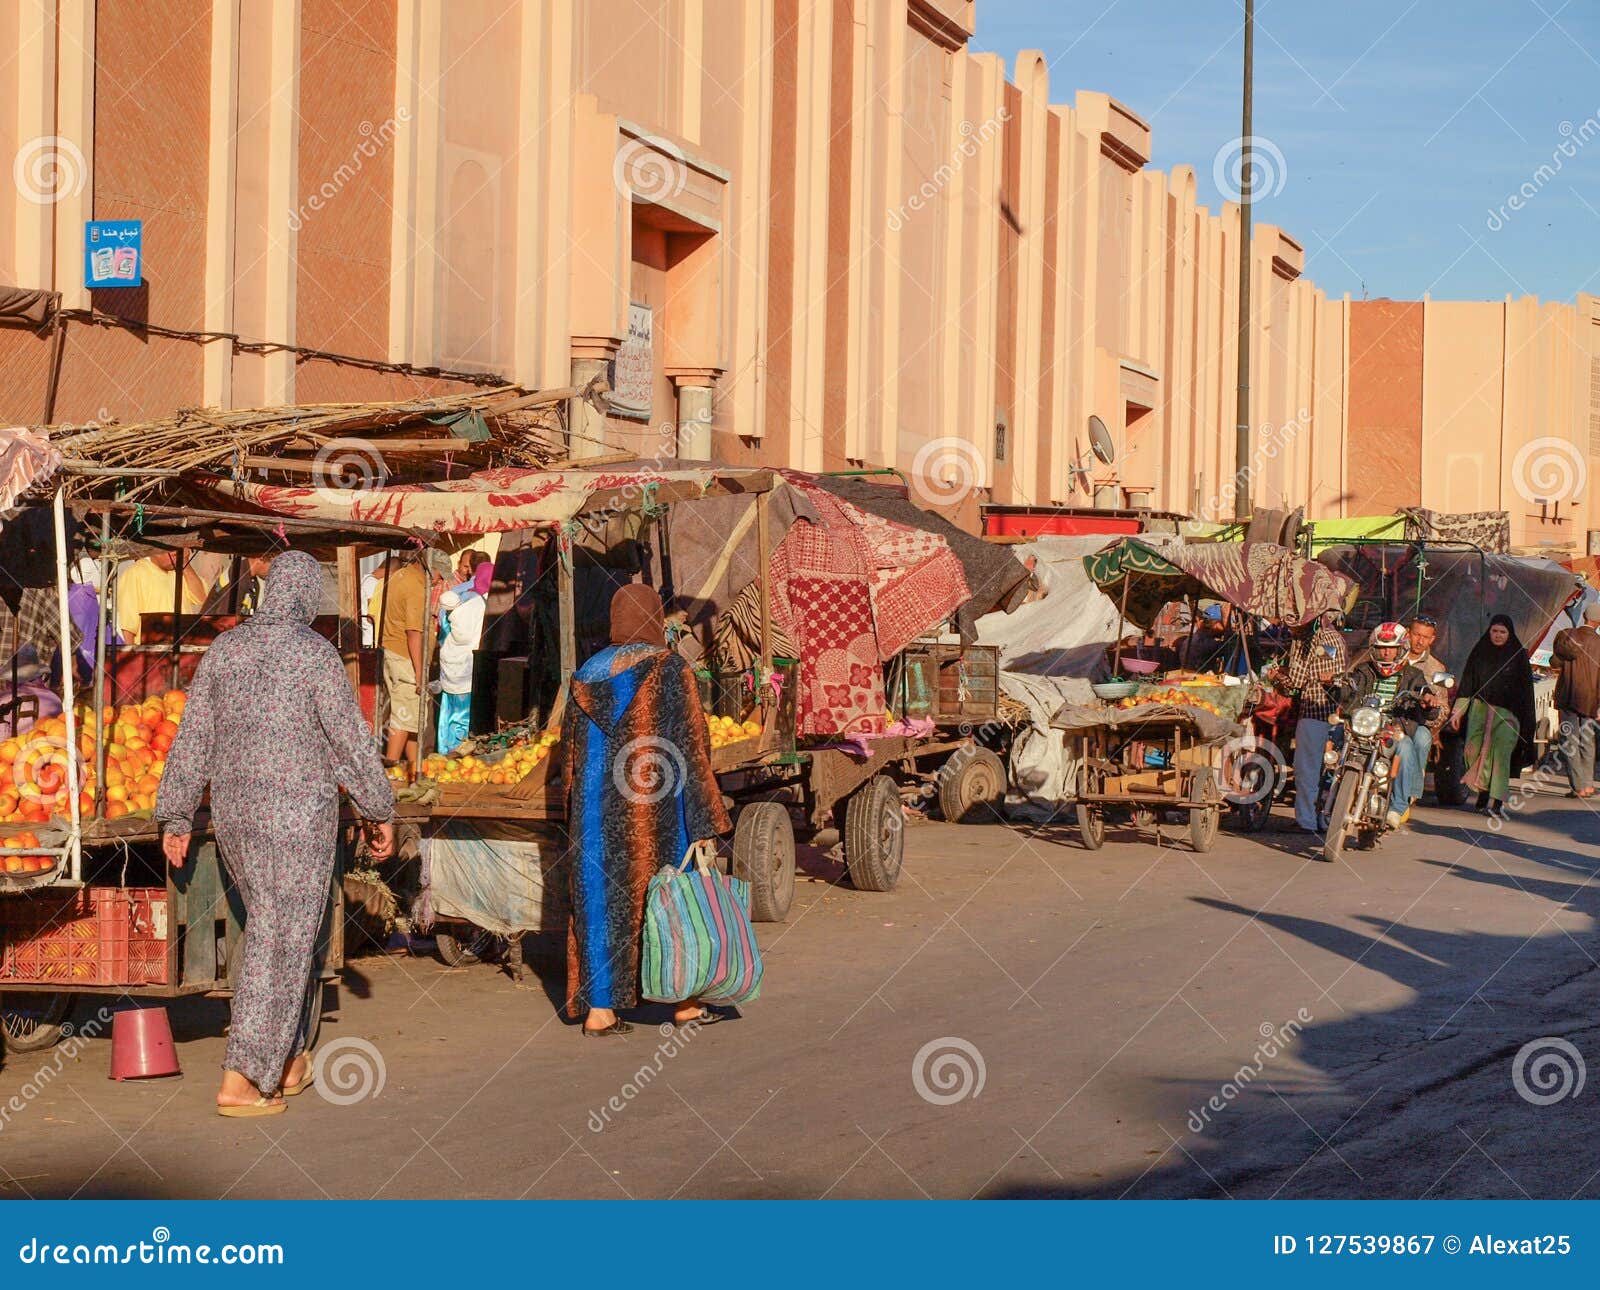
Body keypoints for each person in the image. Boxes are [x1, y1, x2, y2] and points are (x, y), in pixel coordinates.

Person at [154, 552, 395, 1116]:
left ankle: (285, 1063)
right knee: (278, 938)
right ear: (307, 599)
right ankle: (240, 1079)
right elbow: (350, 744)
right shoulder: (316, 656)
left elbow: (193, 739)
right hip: (297, 819)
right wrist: (379, 806)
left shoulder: (225, 650)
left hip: (237, 815)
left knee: (273, 930)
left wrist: (176, 816)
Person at [564, 584, 730, 1038]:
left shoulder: (583, 675)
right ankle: (686, 1004)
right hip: (656, 814)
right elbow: (694, 750)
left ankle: (600, 1011)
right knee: (669, 900)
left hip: (594, 814)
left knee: (600, 904)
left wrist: (574, 816)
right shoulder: (671, 669)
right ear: (654, 619)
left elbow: (571, 758)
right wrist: (705, 820)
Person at [1338, 622, 1439, 828]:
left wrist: (1428, 701)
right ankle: (1327, 787)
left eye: (1391, 648)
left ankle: (1398, 807)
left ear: (1400, 649)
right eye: (1382, 647)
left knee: (1406, 747)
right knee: (1332, 734)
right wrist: (1334, 684)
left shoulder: (1414, 676)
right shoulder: (1363, 670)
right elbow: (1346, 694)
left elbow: (1428, 703)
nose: (1386, 652)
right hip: (1363, 726)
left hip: (1393, 729)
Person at [1450, 614, 1536, 820]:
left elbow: (1526, 690)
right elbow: (1469, 682)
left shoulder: (1518, 655)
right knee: (1474, 751)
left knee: (1500, 756)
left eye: (1502, 632)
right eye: (1494, 631)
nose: (1497, 636)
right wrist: (1458, 710)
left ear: (1510, 633)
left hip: (1509, 715)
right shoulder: (1480, 652)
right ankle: (1483, 791)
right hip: (1480, 710)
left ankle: (1497, 800)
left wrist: (1527, 722)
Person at [1281, 610, 1348, 833]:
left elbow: (1297, 681)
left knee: (1306, 770)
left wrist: (1276, 676)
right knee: (1324, 771)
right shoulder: (1333, 637)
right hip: (1330, 714)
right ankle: (1321, 818)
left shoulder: (1316, 640)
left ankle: (1306, 821)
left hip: (1316, 711)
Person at [378, 553, 443, 766]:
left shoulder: (400, 575)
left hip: (394, 652)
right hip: (406, 657)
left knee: (411, 717)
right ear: (430, 567)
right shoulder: (415, 586)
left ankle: (415, 769)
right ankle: (391, 767)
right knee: (404, 716)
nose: (438, 581)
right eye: (439, 575)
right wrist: (419, 673)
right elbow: (413, 632)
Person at [434, 559, 494, 752]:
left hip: (450, 664)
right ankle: (459, 751)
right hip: (468, 667)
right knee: (464, 714)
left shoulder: (462, 596)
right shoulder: (483, 604)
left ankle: (445, 749)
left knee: (448, 711)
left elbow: (444, 631)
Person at [1549, 602, 1600, 798]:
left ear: (1585, 617)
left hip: (1568, 697)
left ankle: (1578, 786)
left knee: (1569, 741)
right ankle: (1587, 785)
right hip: (1591, 700)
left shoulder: (1569, 637)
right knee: (1587, 741)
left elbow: (1553, 662)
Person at [116, 551, 207, 645]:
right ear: (156, 550)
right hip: (151, 651)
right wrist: (131, 654)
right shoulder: (135, 572)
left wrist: (185, 563)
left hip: (184, 647)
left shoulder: (179, 570)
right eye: (172, 552)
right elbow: (127, 625)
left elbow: (202, 598)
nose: (176, 555)